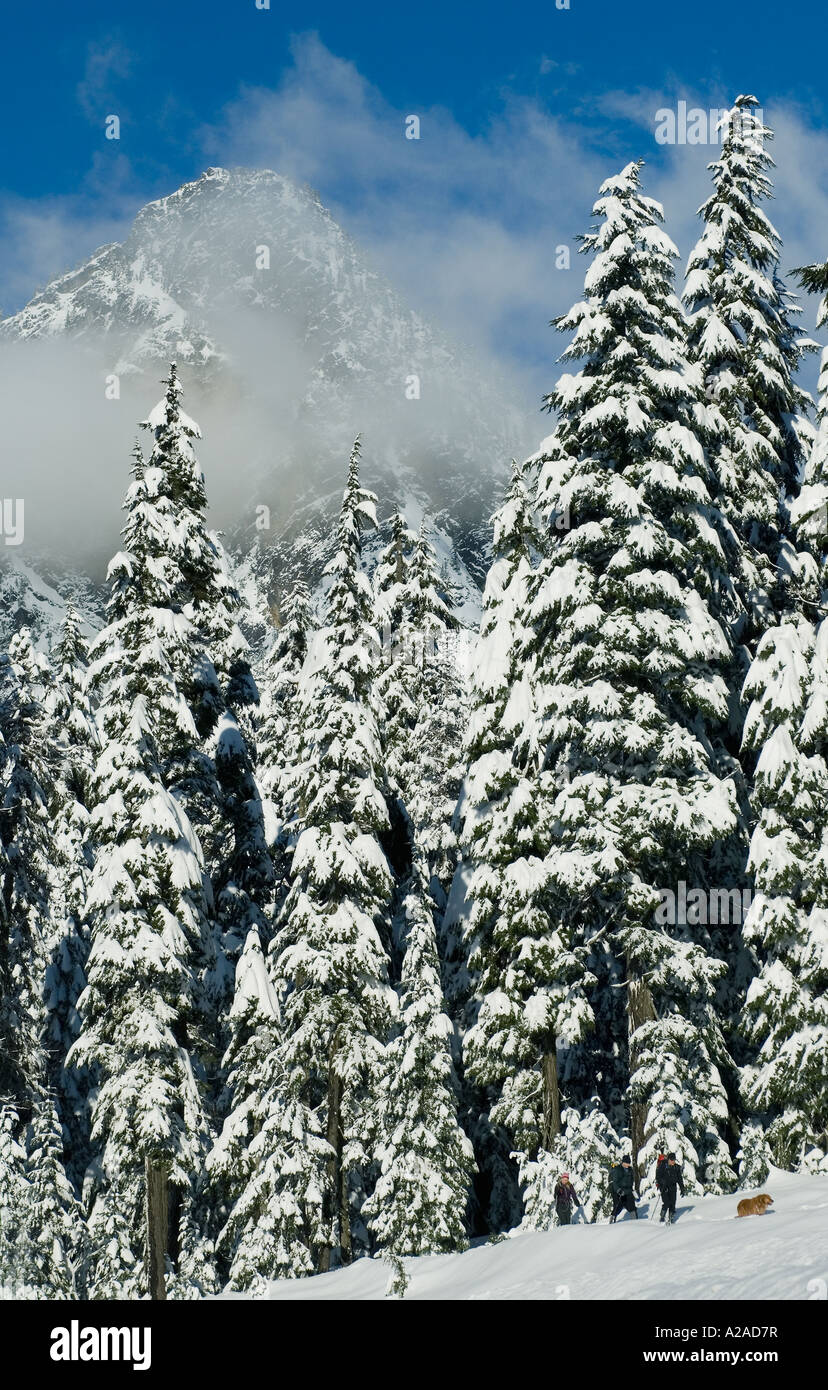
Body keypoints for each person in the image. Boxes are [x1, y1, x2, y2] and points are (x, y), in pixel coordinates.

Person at [609, 1155, 638, 1222]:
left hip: (628, 1191)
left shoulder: (630, 1170)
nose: (628, 1164)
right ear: (623, 1162)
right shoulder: (617, 1170)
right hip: (618, 1192)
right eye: (627, 1162)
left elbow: (631, 1181)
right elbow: (615, 1183)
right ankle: (612, 1220)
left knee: (632, 1207)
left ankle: (635, 1222)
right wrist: (618, 1190)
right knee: (617, 1207)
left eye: (629, 1163)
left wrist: (633, 1191)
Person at [659, 1152, 685, 1224]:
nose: (673, 1161)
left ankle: (671, 1218)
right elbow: (658, 1176)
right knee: (666, 1202)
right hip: (664, 1187)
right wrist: (662, 1181)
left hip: (673, 1187)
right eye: (671, 1160)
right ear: (668, 1159)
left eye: (674, 1160)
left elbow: (680, 1178)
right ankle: (662, 1216)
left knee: (672, 1203)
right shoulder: (663, 1166)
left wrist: (682, 1188)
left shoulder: (676, 1167)